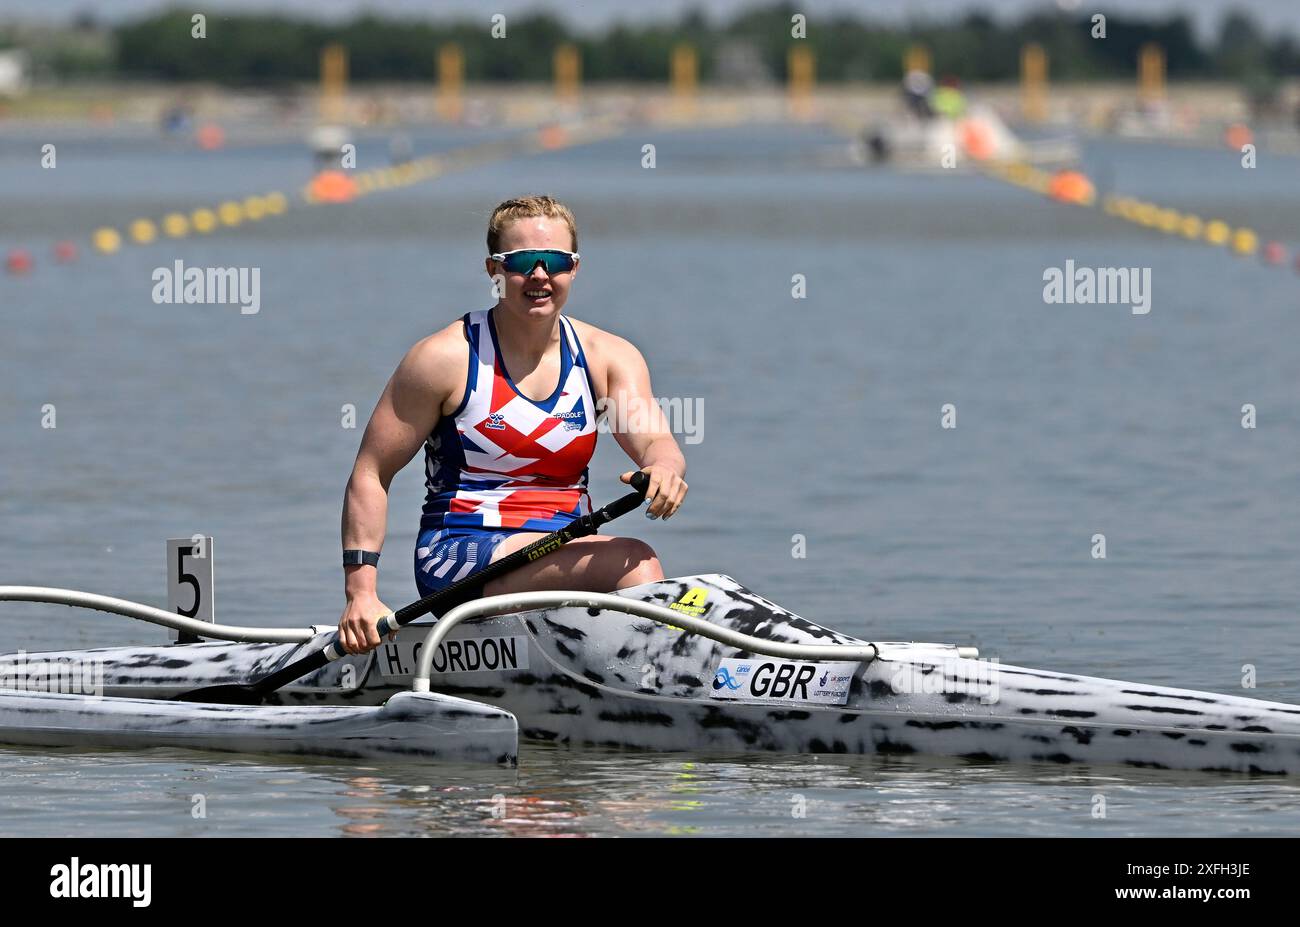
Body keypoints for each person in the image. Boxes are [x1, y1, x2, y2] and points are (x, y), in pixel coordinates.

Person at [336, 195, 688, 654]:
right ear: (494, 271)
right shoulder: (444, 359)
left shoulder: (609, 357)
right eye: (522, 261)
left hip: (566, 549)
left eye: (556, 262)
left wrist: (663, 469)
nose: (540, 275)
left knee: (673, 589)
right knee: (636, 562)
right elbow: (371, 473)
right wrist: (361, 594)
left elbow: (656, 442)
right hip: (461, 554)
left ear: (574, 269)